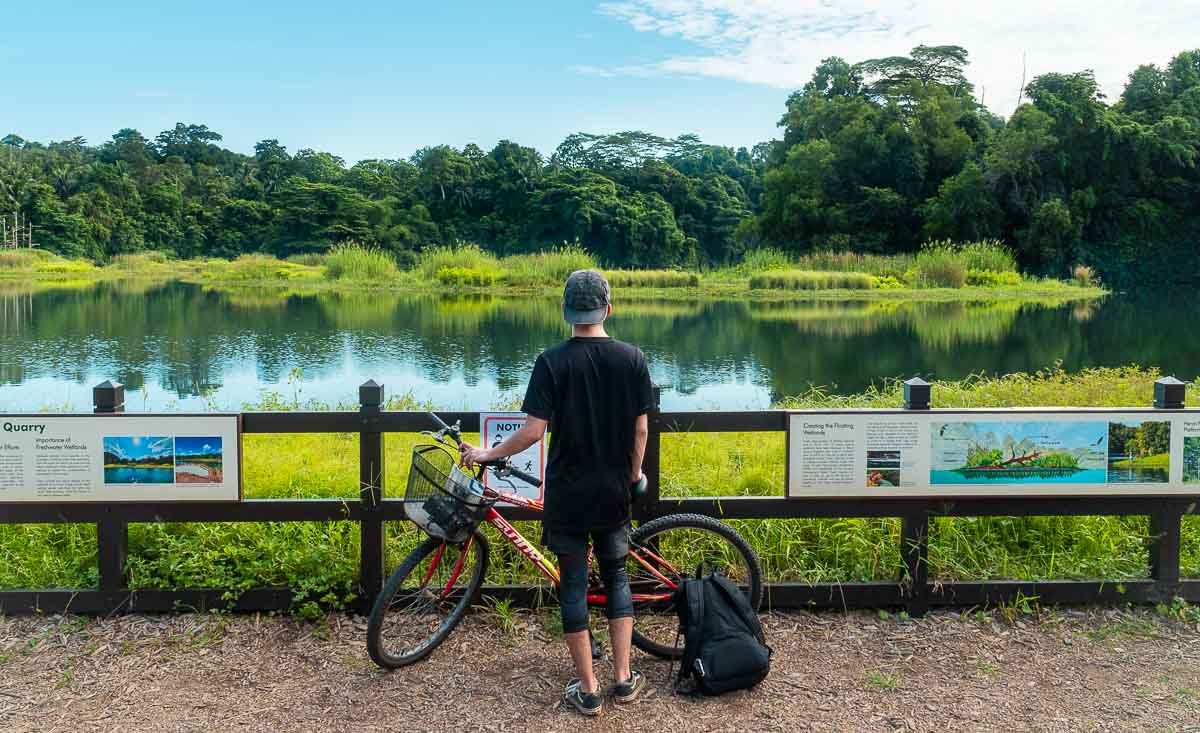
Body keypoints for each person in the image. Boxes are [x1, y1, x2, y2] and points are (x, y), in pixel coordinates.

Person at [459, 269, 653, 717]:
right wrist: (633, 475)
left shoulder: (552, 361)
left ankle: (588, 691)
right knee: (618, 579)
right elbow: (640, 429)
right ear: (608, 308)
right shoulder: (633, 359)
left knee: (573, 587)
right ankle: (623, 681)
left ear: (565, 311)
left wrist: (489, 454)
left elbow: (532, 433)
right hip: (612, 492)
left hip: (568, 492)